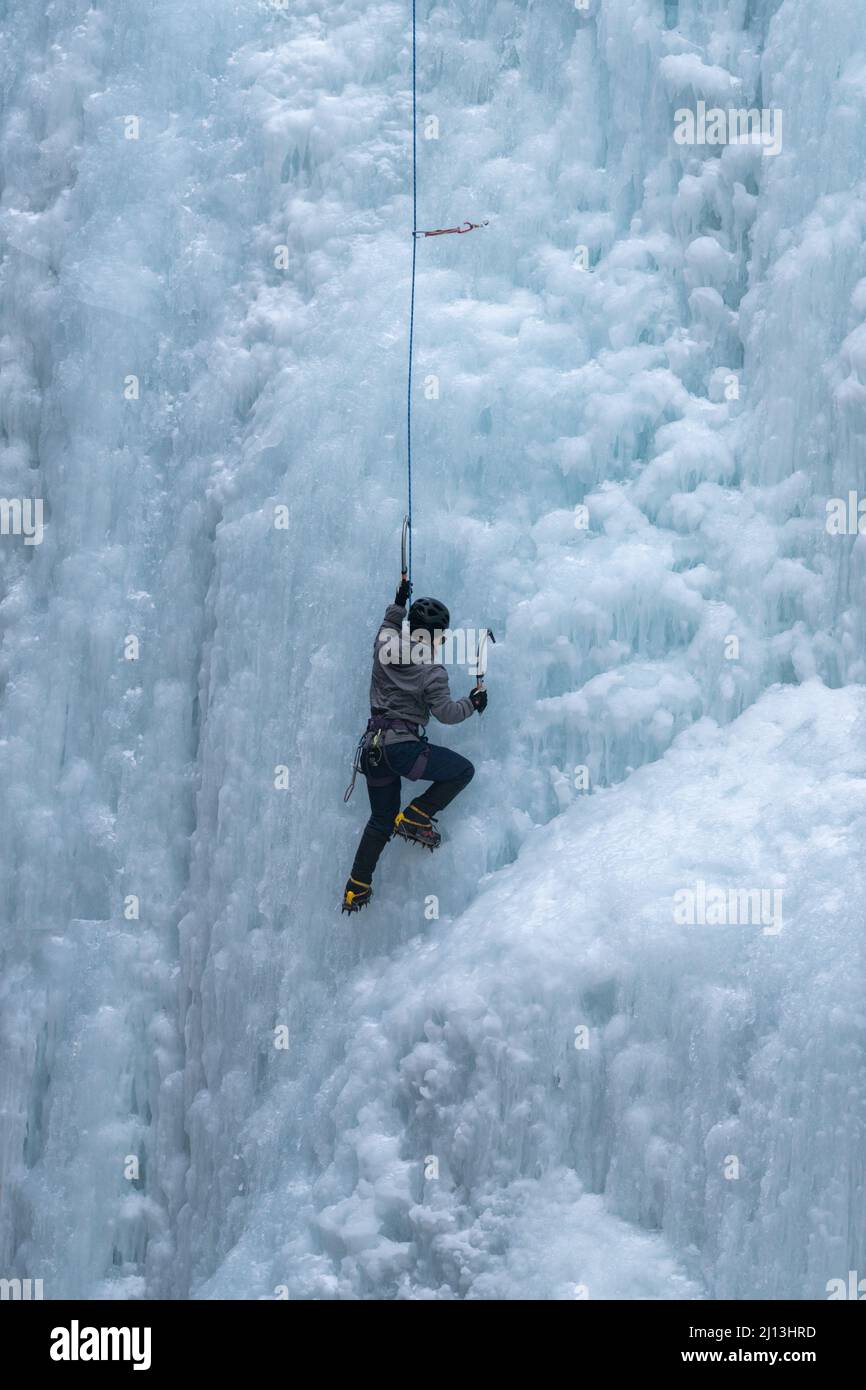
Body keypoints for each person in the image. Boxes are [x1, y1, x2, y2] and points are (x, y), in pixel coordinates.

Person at [341, 576, 487, 913]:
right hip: (403, 750)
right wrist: (473, 702)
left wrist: (398, 600)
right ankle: (417, 816)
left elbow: (388, 624)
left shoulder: (384, 646)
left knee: (380, 820)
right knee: (462, 771)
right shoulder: (432, 670)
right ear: (438, 636)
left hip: (372, 753)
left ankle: (356, 888)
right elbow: (447, 714)